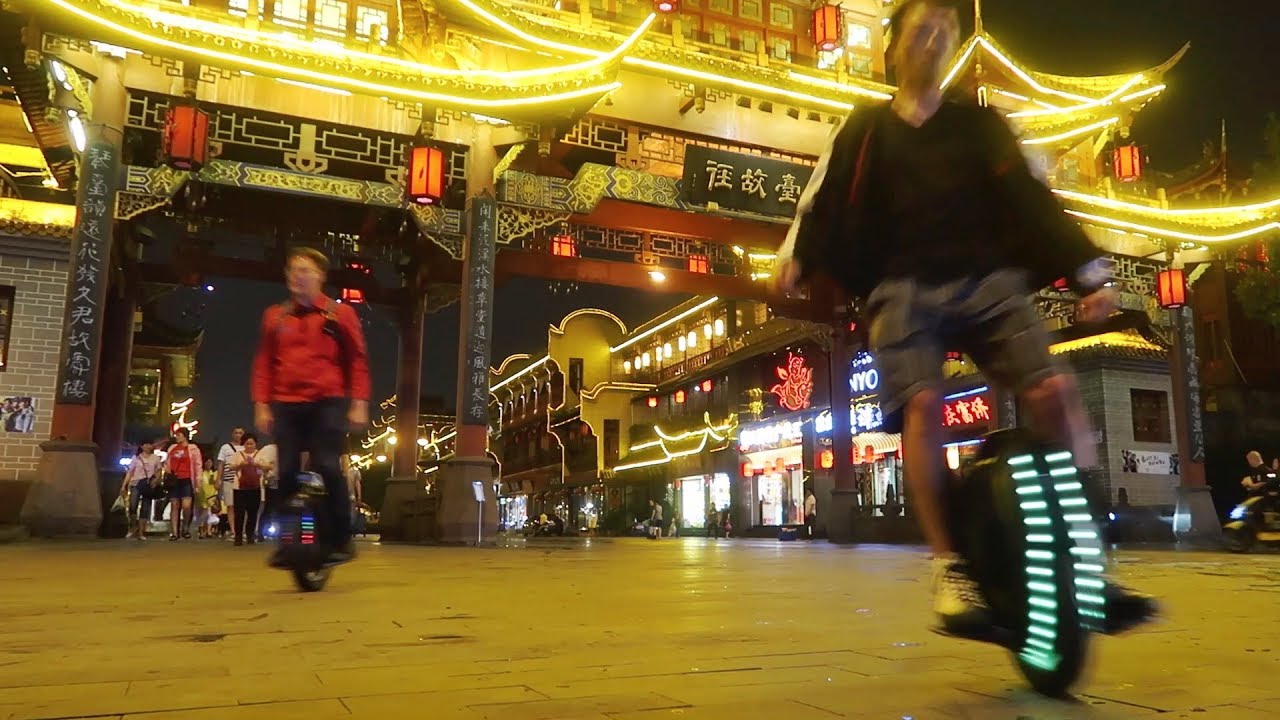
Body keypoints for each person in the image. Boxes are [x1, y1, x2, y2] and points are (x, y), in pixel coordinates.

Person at [776, 0, 1154, 634]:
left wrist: (1088, 270)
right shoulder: (864, 130)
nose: (932, 43)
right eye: (920, 32)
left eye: (944, 35)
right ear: (892, 48)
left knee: (1055, 390)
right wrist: (794, 259)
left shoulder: (982, 128)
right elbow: (819, 203)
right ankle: (950, 569)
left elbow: (1033, 198)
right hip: (903, 291)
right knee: (922, 405)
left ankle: (1091, 561)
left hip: (989, 286)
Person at [253, 247, 370, 566]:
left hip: (327, 402)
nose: (297, 276)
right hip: (286, 403)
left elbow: (357, 360)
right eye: (292, 270)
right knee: (287, 472)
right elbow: (264, 363)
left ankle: (341, 538)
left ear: (320, 276)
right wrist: (262, 405)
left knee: (328, 466)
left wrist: (359, 402)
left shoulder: (339, 314)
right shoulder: (274, 317)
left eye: (305, 270)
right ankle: (289, 543)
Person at [229, 433, 272, 545]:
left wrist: (256, 463)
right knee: (239, 513)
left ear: (255, 444)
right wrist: (241, 464)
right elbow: (231, 466)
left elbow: (268, 466)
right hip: (239, 487)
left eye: (251, 444)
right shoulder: (238, 454)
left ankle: (250, 535)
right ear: (243, 444)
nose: (249, 446)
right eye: (247, 444)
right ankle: (238, 536)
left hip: (255, 487)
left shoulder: (260, 454)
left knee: (253, 512)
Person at [163, 428, 202, 540]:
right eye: (176, 435)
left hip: (187, 479)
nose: (177, 437)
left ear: (185, 436)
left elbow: (198, 465)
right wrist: (167, 470)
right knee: (174, 505)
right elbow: (167, 462)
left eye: (179, 435)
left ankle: (185, 527)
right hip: (174, 479)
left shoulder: (193, 449)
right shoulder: (172, 448)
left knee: (186, 506)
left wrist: (198, 481)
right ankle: (174, 532)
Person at [119, 440, 162, 540]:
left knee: (145, 508)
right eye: (145, 444)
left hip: (148, 484)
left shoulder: (155, 458)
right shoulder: (136, 458)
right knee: (132, 505)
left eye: (149, 444)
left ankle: (141, 532)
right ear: (141, 446)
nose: (148, 446)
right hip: (136, 483)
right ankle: (133, 526)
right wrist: (123, 485)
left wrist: (156, 480)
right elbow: (130, 472)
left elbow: (159, 470)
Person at [215, 427, 245, 544]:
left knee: (243, 507)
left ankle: (242, 531)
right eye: (236, 433)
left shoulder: (246, 447)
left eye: (240, 433)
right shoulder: (225, 447)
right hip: (229, 480)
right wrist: (218, 479)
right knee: (231, 505)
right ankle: (234, 531)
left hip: (244, 481)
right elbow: (221, 464)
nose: (238, 435)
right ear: (232, 434)